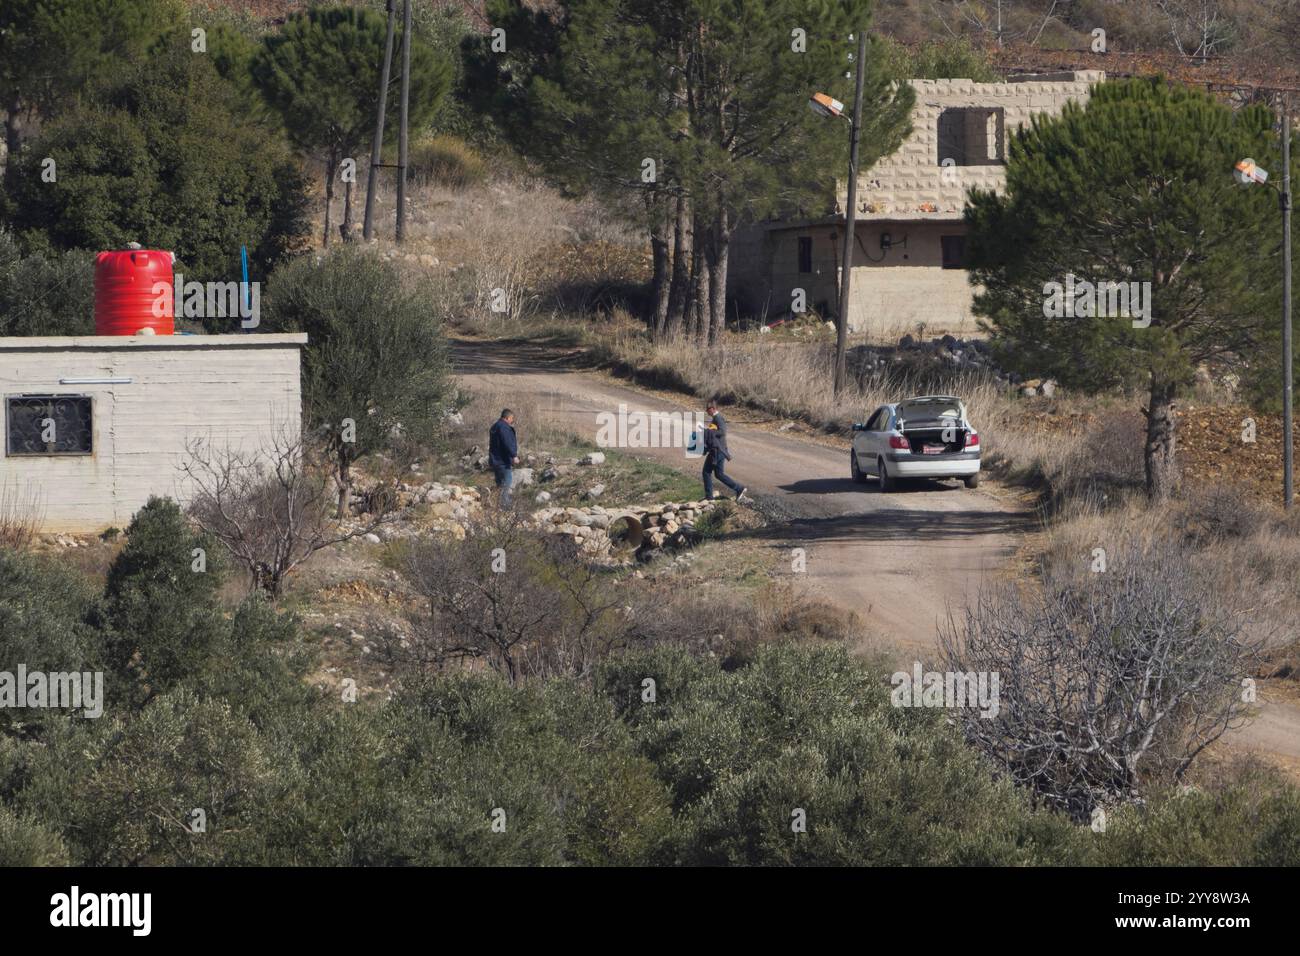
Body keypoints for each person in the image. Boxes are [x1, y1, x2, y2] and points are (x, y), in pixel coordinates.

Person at [701, 400, 748, 502]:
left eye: (708, 410)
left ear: (713, 409)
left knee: (706, 472)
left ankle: (709, 497)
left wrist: (709, 432)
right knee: (719, 474)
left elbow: (722, 431)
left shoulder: (718, 418)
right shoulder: (715, 418)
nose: (707, 412)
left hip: (717, 451)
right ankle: (739, 489)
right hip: (720, 451)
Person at [488, 409, 519, 506]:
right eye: (512, 418)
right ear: (507, 417)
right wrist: (514, 455)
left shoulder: (495, 426)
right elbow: (507, 443)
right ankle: (505, 508)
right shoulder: (504, 427)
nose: (512, 420)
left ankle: (498, 507)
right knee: (506, 484)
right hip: (503, 461)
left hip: (495, 460)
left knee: (500, 485)